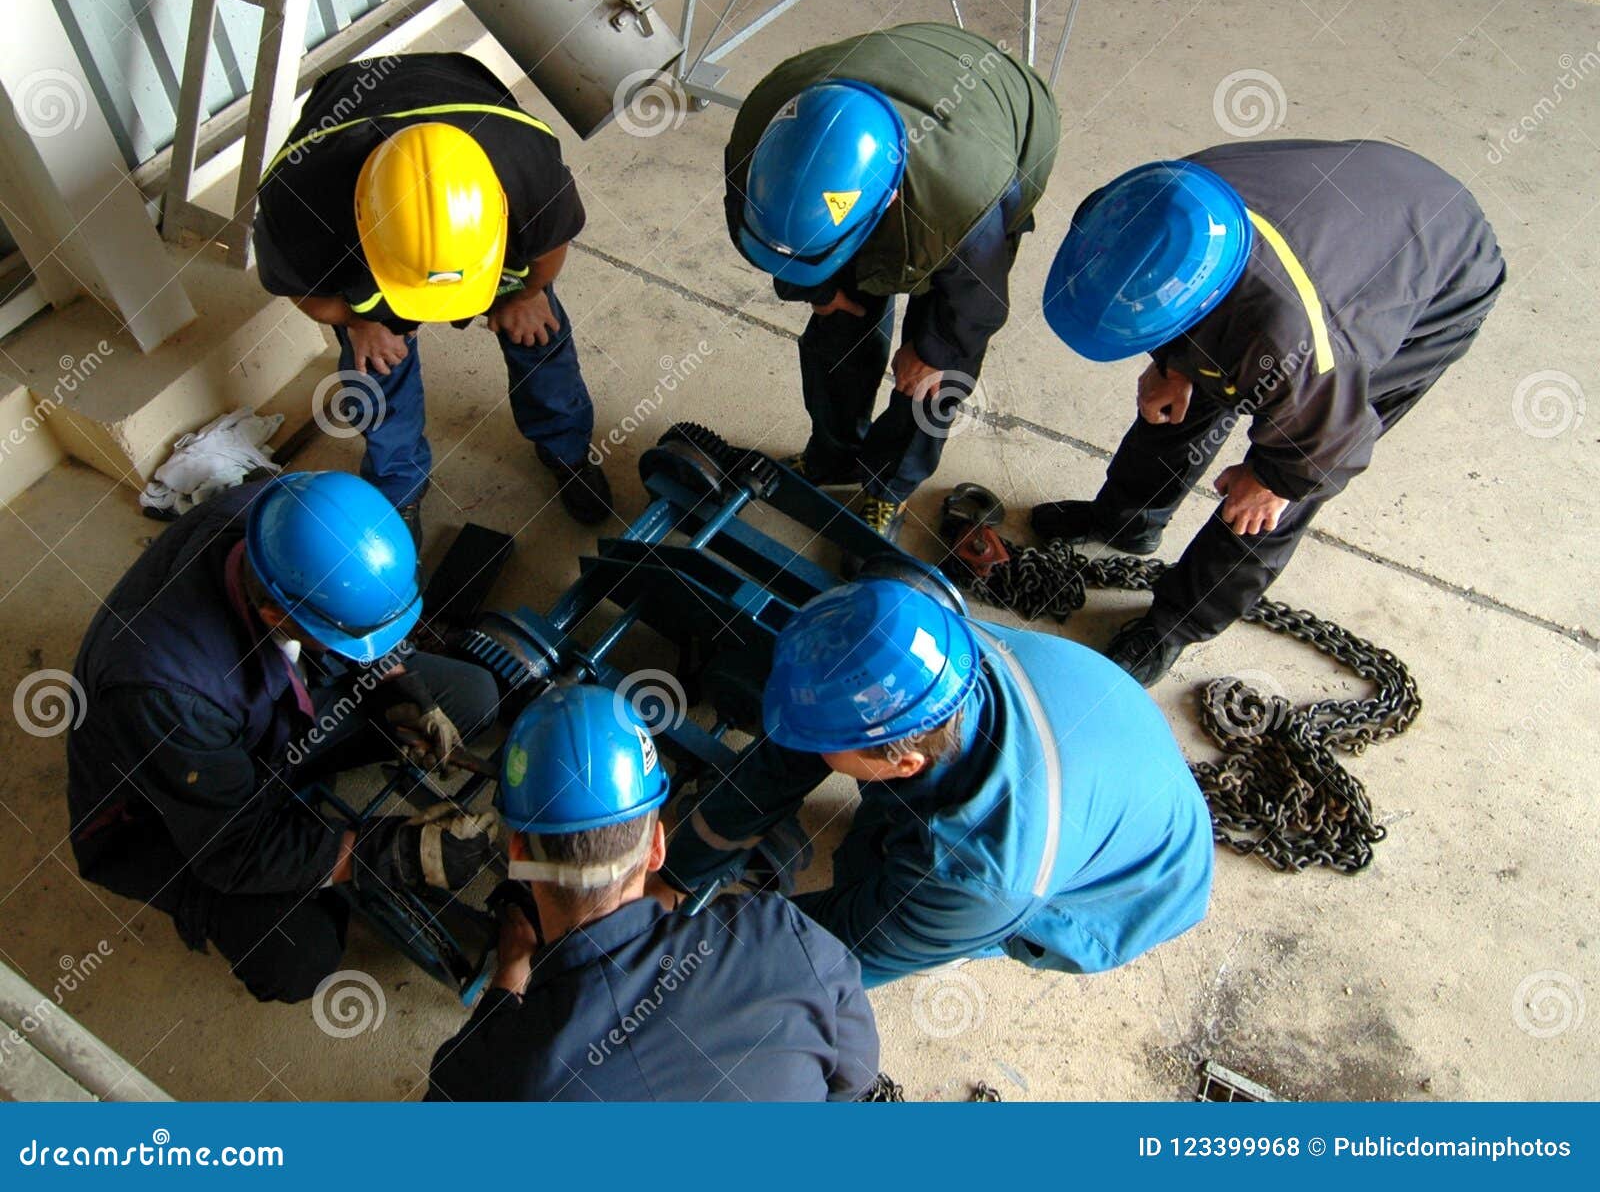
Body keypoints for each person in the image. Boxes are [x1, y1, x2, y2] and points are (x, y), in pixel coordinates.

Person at [1032, 139, 1506, 684]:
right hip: (1356, 209)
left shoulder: (1299, 345)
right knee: (1182, 393)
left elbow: (1331, 444)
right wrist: (1172, 362)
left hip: (1444, 267)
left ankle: (1178, 621)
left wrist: (1272, 480)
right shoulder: (1148, 206)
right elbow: (1151, 296)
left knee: (1269, 498)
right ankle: (1127, 520)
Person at [67, 472, 500, 1004]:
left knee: (473, 696)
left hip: (261, 712)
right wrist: (392, 855)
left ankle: (304, 809)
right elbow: (233, 848)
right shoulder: (164, 688)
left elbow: (350, 615)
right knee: (297, 957)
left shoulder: (286, 514)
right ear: (279, 615)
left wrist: (403, 689)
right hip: (169, 808)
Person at [660, 579, 1214, 986]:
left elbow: (827, 952)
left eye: (821, 743)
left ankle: (972, 942)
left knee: (906, 911)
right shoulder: (927, 648)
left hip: (1133, 885)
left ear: (903, 764)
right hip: (1111, 741)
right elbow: (778, 766)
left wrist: (675, 954)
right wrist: (677, 876)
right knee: (876, 845)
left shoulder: (983, 879)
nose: (802, 748)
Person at [427, 685, 879, 1102]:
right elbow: (856, 1078)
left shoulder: (485, 1077)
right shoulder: (778, 934)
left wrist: (508, 979)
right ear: (659, 846)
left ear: (518, 851)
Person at [253, 52, 613, 536]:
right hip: (359, 186)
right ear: (362, 215)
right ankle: (398, 487)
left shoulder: (528, 165)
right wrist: (361, 323)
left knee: (538, 329)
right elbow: (306, 292)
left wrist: (529, 292)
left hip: (463, 95)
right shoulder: (297, 198)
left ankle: (566, 449)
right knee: (376, 363)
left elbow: (550, 246)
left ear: (502, 206)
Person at [724, 24, 1059, 541]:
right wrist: (818, 290)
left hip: (996, 119)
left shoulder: (961, 208)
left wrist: (933, 349)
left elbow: (978, 303)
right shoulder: (759, 140)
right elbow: (761, 232)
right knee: (835, 326)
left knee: (931, 378)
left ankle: (890, 486)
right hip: (881, 94)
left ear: (890, 201)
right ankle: (833, 457)